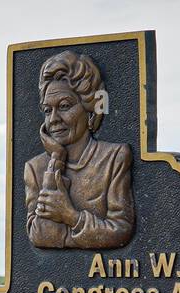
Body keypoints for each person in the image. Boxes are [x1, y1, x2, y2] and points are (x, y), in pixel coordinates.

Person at [24, 50, 135, 249]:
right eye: (47, 110)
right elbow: (40, 238)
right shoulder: (35, 168)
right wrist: (56, 159)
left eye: (64, 106)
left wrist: (70, 216)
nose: (53, 119)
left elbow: (120, 231)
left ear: (89, 109)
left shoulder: (114, 158)